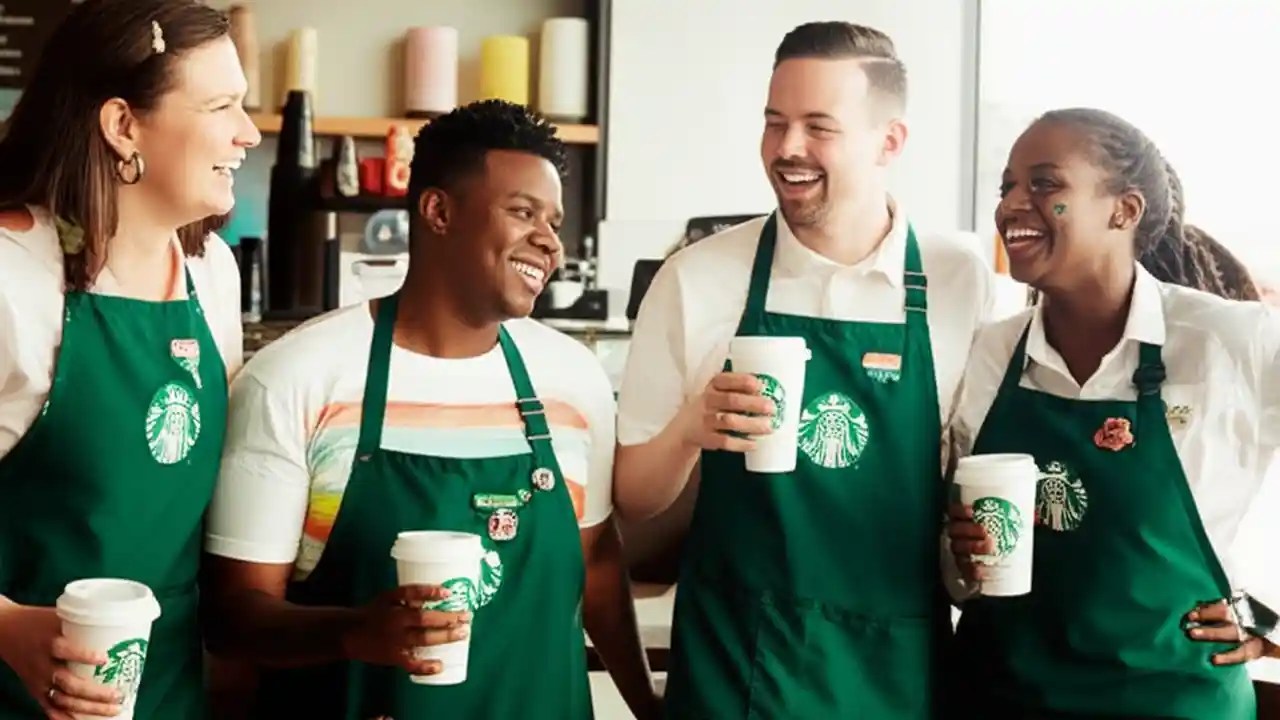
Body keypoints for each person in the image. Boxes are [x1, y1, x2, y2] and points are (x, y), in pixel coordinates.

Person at [200, 99, 660, 720]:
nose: (549, 241)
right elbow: (233, 616)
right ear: (438, 210)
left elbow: (596, 563)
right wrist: (353, 632)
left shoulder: (572, 381)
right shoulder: (297, 380)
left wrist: (648, 706)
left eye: (552, 220)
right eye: (523, 212)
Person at [614, 21, 994, 718]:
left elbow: (973, 475)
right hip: (737, 666)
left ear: (890, 142)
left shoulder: (959, 281)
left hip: (896, 670)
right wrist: (690, 430)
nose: (788, 149)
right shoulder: (696, 279)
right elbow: (634, 498)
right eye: (774, 123)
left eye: (819, 127)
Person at [944, 107, 1280, 718]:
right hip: (1004, 696)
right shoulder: (990, 351)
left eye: (1044, 184)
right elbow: (951, 542)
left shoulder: (1231, 343)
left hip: (1173, 701)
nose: (1013, 203)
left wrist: (1269, 615)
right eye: (1007, 186)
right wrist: (960, 554)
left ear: (1124, 210)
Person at [0, 1, 255, 718]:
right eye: (221, 106)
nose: (248, 132)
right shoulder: (11, 277)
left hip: (167, 692)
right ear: (122, 125)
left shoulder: (212, 273)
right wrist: (10, 629)